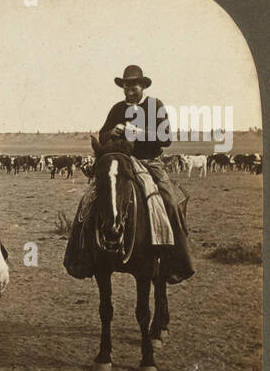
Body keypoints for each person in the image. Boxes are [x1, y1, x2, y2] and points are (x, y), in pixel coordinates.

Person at [73, 64, 193, 283]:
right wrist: (112, 131)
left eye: (134, 84)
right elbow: (102, 135)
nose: (129, 88)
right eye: (126, 84)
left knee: (170, 201)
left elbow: (166, 138)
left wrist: (140, 132)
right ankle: (80, 258)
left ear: (142, 86)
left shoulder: (155, 105)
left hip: (150, 163)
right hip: (121, 162)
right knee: (88, 201)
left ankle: (176, 262)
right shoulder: (117, 108)